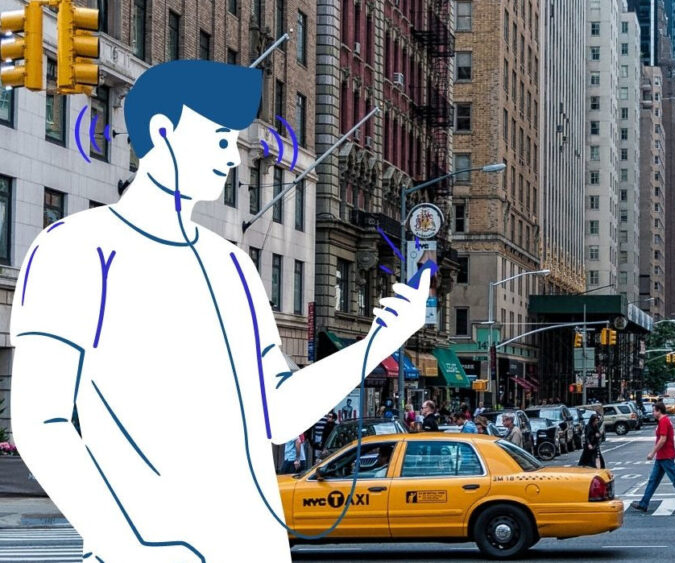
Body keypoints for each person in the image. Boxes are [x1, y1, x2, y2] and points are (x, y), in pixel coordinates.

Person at [9, 60, 434, 562]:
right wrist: (132, 542)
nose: (232, 156)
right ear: (164, 132)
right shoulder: (76, 247)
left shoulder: (232, 264)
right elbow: (41, 422)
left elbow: (277, 412)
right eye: (218, 138)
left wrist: (378, 344)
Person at [630, 411, 675, 513]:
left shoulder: (663, 421)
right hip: (662, 456)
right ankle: (644, 503)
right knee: (653, 480)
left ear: (658, 411)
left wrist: (652, 453)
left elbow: (663, 439)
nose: (653, 413)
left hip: (666, 456)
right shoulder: (664, 421)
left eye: (654, 410)